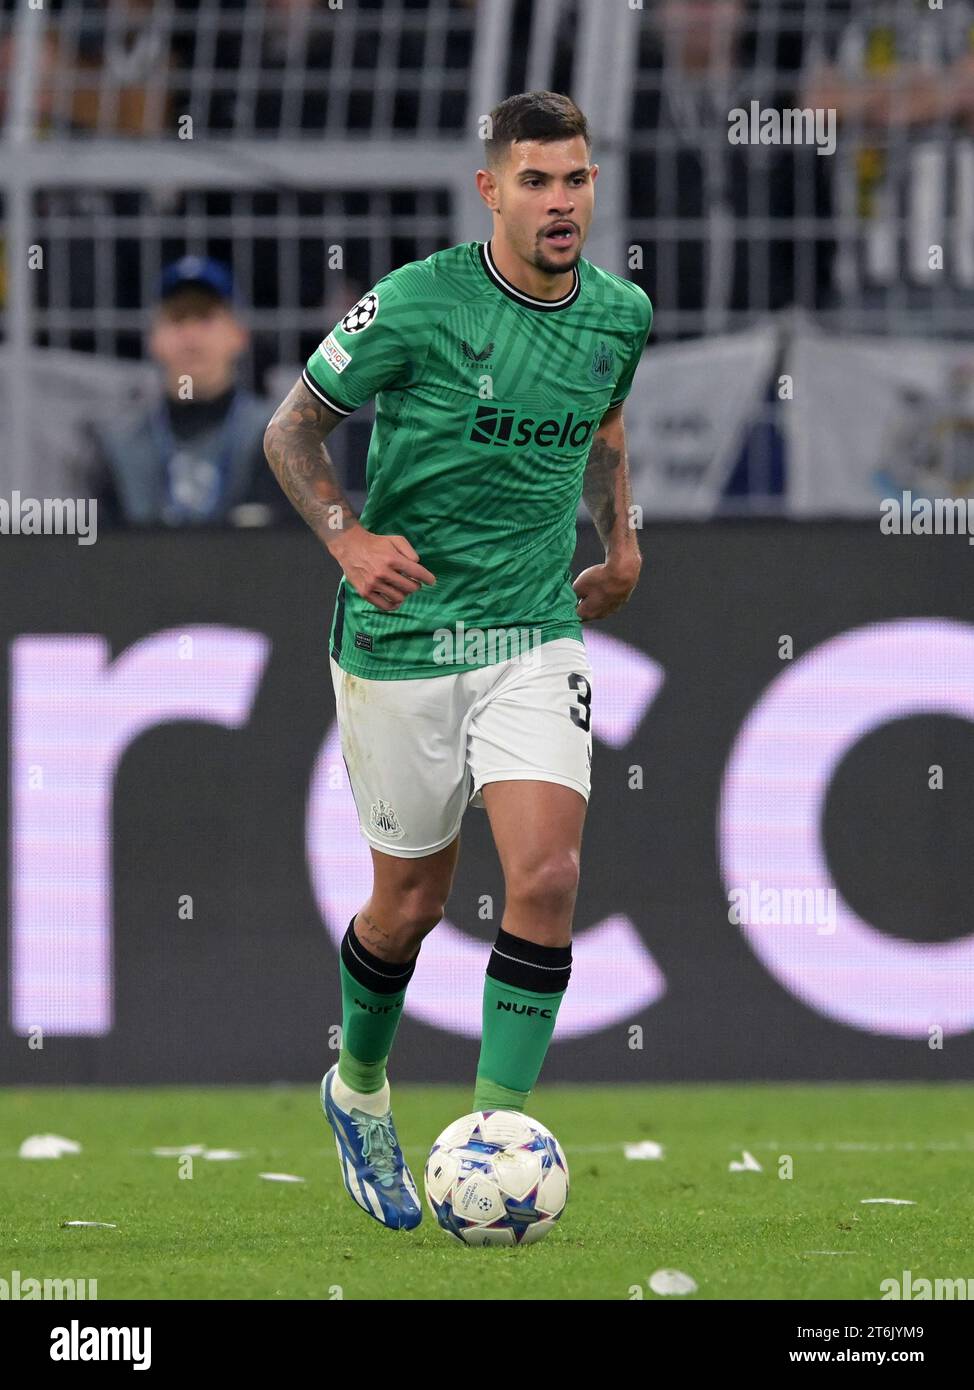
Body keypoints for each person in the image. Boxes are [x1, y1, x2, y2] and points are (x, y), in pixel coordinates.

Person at [264, 90, 652, 1232]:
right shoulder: (420, 303)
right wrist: (348, 538)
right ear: (490, 190)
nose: (559, 201)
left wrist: (619, 539)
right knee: (407, 906)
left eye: (574, 178)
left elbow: (606, 424)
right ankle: (360, 1089)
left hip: (531, 630)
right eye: (534, 181)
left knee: (542, 877)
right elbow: (289, 429)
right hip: (401, 641)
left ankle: (493, 1137)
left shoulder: (618, 313)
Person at [89, 257, 283, 526]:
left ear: (239, 336)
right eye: (177, 319)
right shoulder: (119, 444)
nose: (191, 337)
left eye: (205, 318)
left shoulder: (277, 437)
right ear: (153, 340)